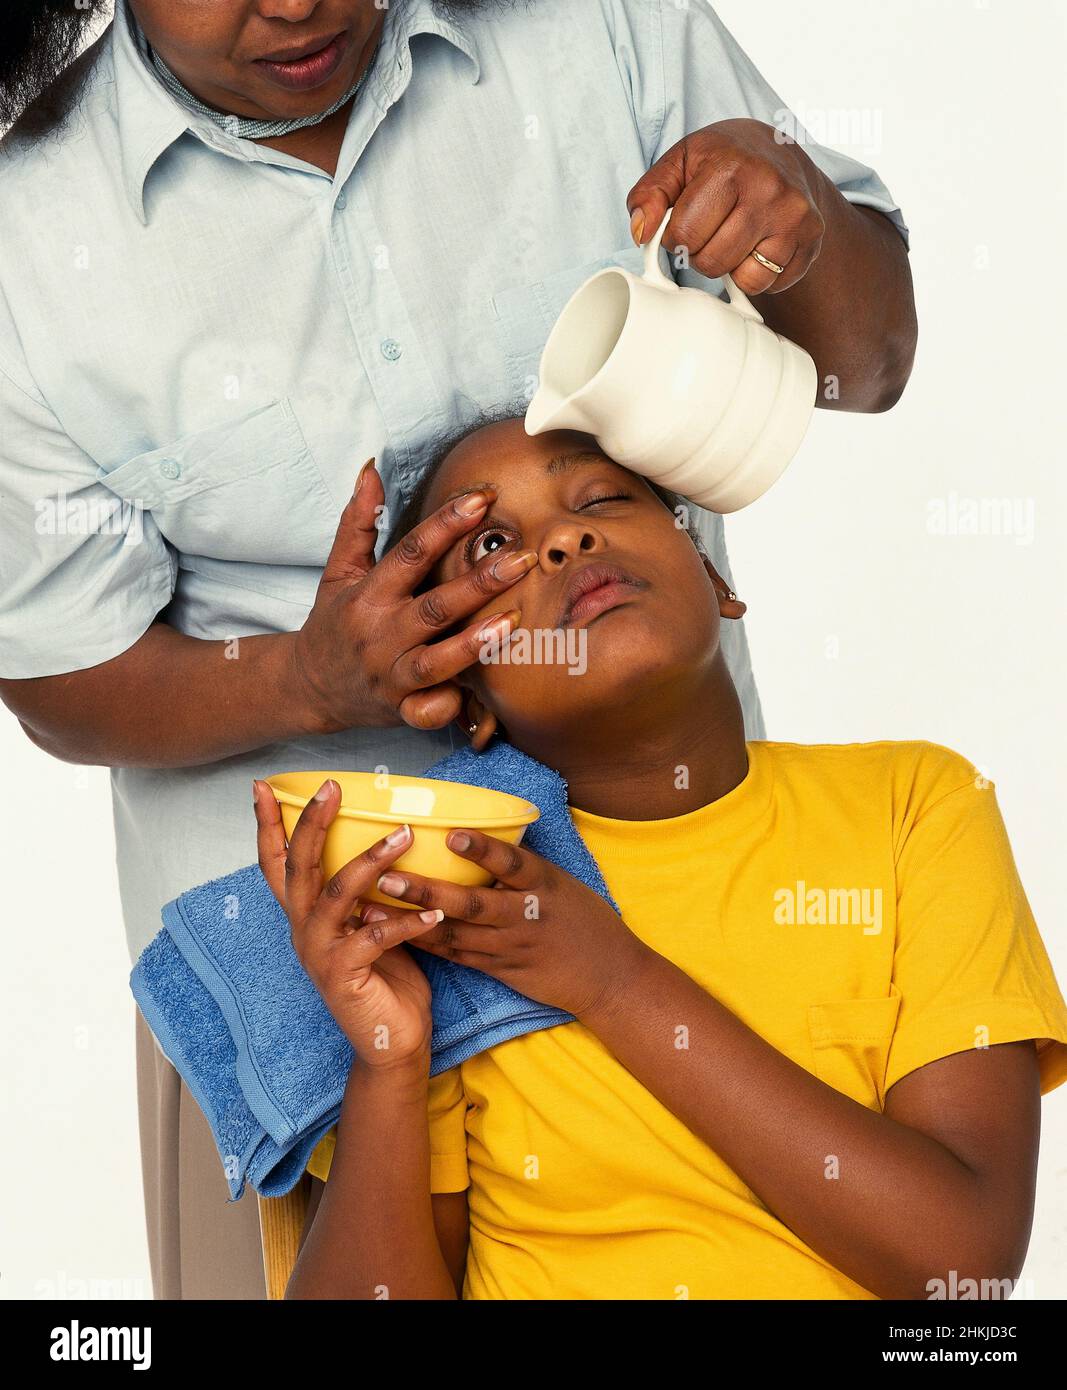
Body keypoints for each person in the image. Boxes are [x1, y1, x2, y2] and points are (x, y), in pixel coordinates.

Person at [0, 0, 916, 1298]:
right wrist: (303, 683)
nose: (296, 4)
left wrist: (799, 227)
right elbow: (52, 670)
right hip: (305, 999)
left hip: (690, 924)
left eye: (591, 505)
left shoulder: (602, 25)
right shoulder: (30, 245)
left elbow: (865, 358)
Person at [252, 416, 1067, 1300]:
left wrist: (613, 982)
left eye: (603, 498)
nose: (565, 538)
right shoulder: (456, 897)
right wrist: (388, 1060)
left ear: (713, 576)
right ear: (464, 699)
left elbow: (962, 1267)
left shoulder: (914, 805)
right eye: (494, 547)